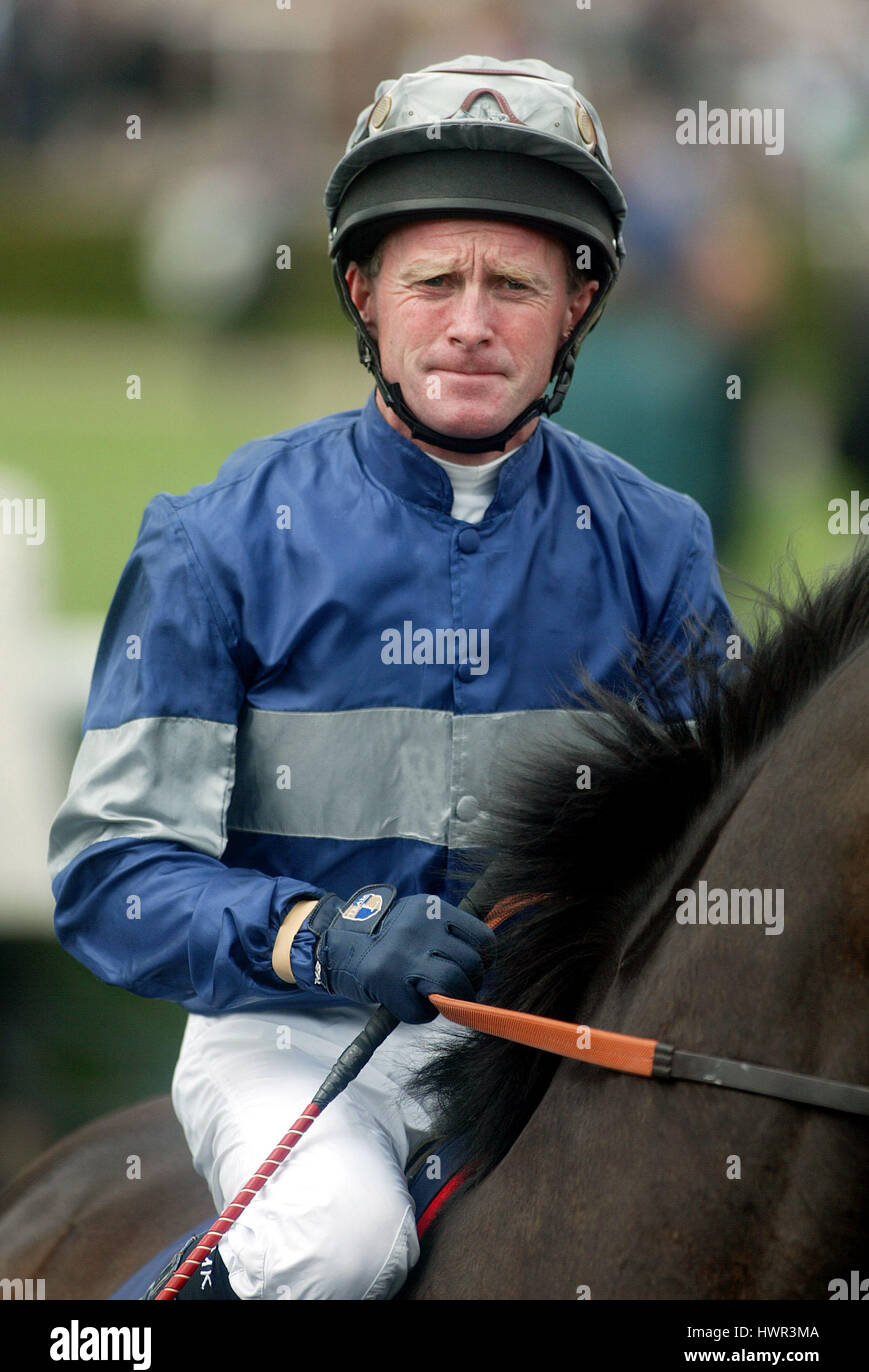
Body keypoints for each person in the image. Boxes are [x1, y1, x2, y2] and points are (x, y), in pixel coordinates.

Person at [48, 55, 740, 1300]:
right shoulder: (211, 539)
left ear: (576, 304)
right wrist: (318, 935)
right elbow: (110, 879)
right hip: (288, 1036)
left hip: (557, 1051)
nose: (471, 321)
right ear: (365, 291)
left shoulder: (658, 545)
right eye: (434, 279)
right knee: (335, 1245)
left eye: (515, 283)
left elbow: (732, 860)